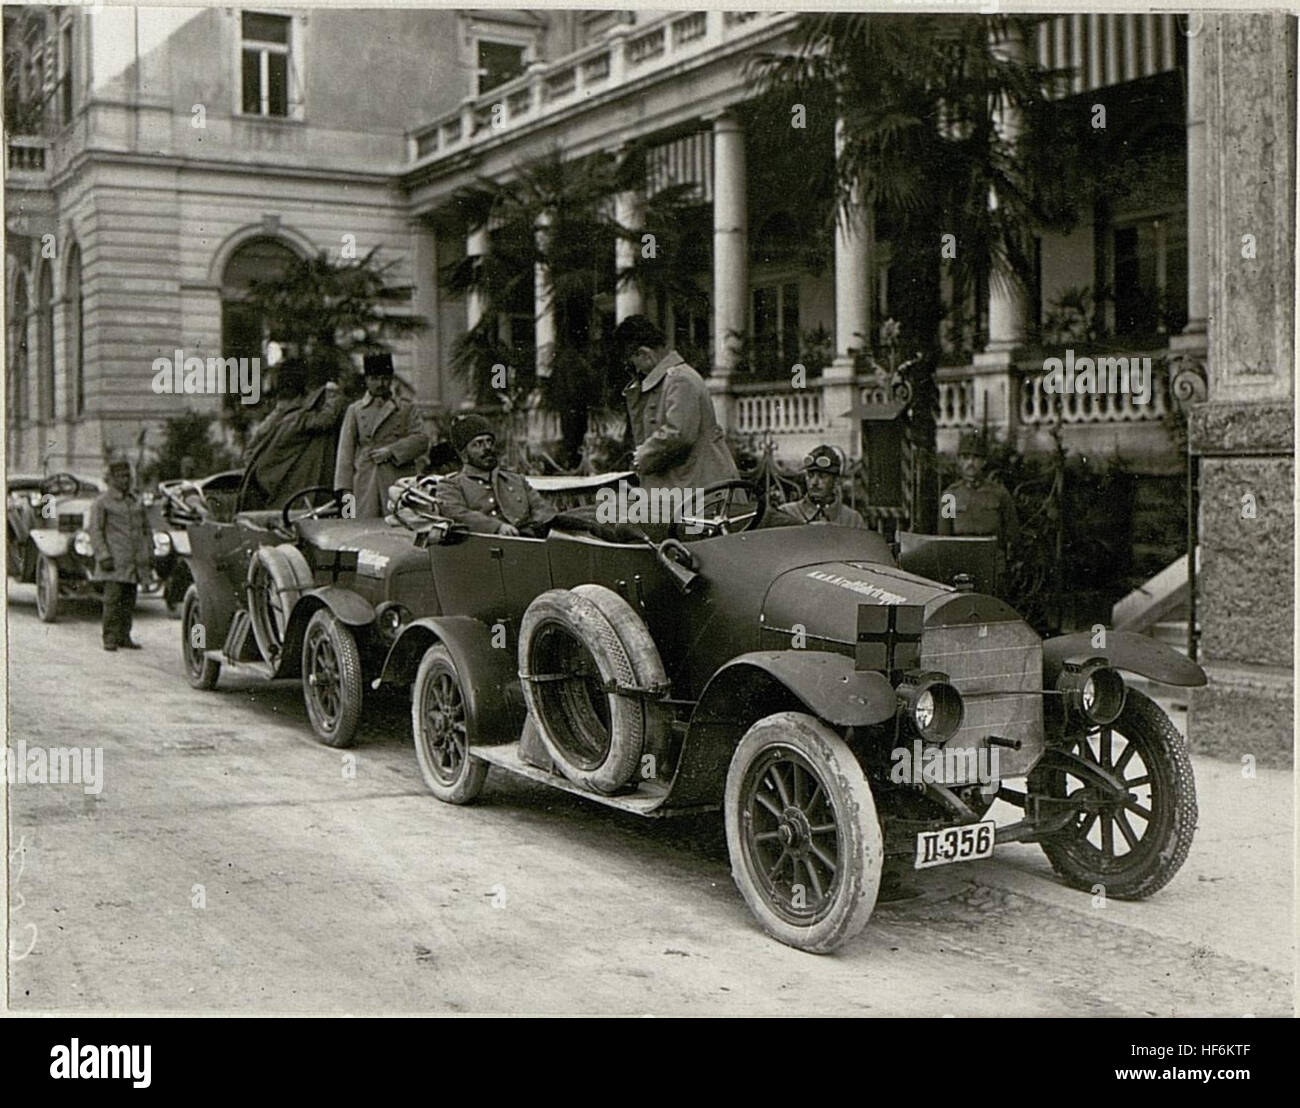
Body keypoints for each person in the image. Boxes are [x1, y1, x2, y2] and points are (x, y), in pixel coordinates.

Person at [612, 315, 739, 497]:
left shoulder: (679, 379)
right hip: (687, 485)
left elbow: (679, 434)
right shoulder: (668, 381)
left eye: (634, 363)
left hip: (700, 488)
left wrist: (643, 456)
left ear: (644, 354)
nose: (637, 371)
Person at [238, 358, 346, 511]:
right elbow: (326, 419)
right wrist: (333, 394)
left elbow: (253, 446)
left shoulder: (277, 416)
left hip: (263, 483)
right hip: (285, 490)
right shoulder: (298, 419)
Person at [334, 352, 430, 519]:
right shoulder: (355, 410)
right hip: (365, 480)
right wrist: (345, 492)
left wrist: (392, 451)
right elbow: (345, 454)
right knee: (361, 527)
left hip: (398, 479)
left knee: (401, 524)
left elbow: (421, 439)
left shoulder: (405, 408)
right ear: (367, 380)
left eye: (385, 378)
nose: (381, 383)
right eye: (375, 378)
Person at [435, 414, 556, 537]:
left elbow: (542, 509)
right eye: (478, 444)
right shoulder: (451, 486)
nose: (487, 448)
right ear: (464, 454)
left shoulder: (516, 480)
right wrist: (497, 527)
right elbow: (457, 514)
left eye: (489, 441)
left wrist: (532, 528)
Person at [89, 457, 154, 652]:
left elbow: (146, 529)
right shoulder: (102, 502)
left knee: (128, 601)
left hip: (133, 561)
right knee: (112, 601)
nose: (126, 480)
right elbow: (95, 530)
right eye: (121, 477)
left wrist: (150, 552)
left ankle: (124, 636)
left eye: (128, 476)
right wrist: (103, 556)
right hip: (114, 561)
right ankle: (109, 637)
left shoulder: (136, 501)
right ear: (111, 479)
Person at [937, 431, 1019, 548]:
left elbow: (1012, 533)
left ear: (984, 462)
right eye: (966, 458)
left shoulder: (999, 493)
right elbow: (943, 537)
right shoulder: (949, 496)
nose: (970, 462)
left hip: (991, 557)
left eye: (975, 458)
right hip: (960, 557)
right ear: (959, 461)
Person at [778, 445, 868, 527]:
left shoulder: (852, 520)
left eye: (822, 476)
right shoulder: (787, 513)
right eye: (810, 475)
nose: (814, 482)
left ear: (836, 480)